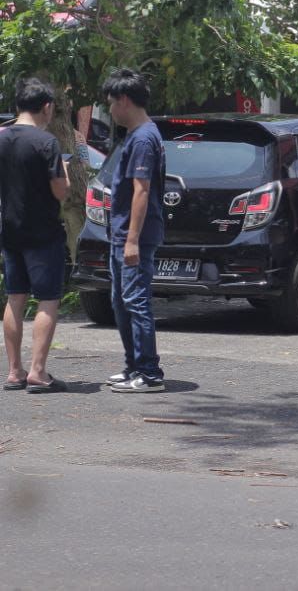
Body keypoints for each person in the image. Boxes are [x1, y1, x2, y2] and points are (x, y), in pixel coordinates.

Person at [1, 79, 71, 393]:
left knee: (15, 296)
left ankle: (14, 370)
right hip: (42, 231)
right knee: (47, 298)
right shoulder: (46, 143)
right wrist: (65, 175)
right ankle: (38, 371)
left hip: (10, 229)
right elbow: (60, 192)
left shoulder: (1, 138)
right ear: (46, 107)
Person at [103, 69, 167, 393]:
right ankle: (133, 366)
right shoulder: (138, 134)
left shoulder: (143, 138)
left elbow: (141, 191)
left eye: (112, 103)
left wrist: (132, 240)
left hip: (134, 235)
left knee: (136, 300)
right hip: (121, 233)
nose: (110, 111)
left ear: (125, 100)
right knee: (121, 300)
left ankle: (149, 373)